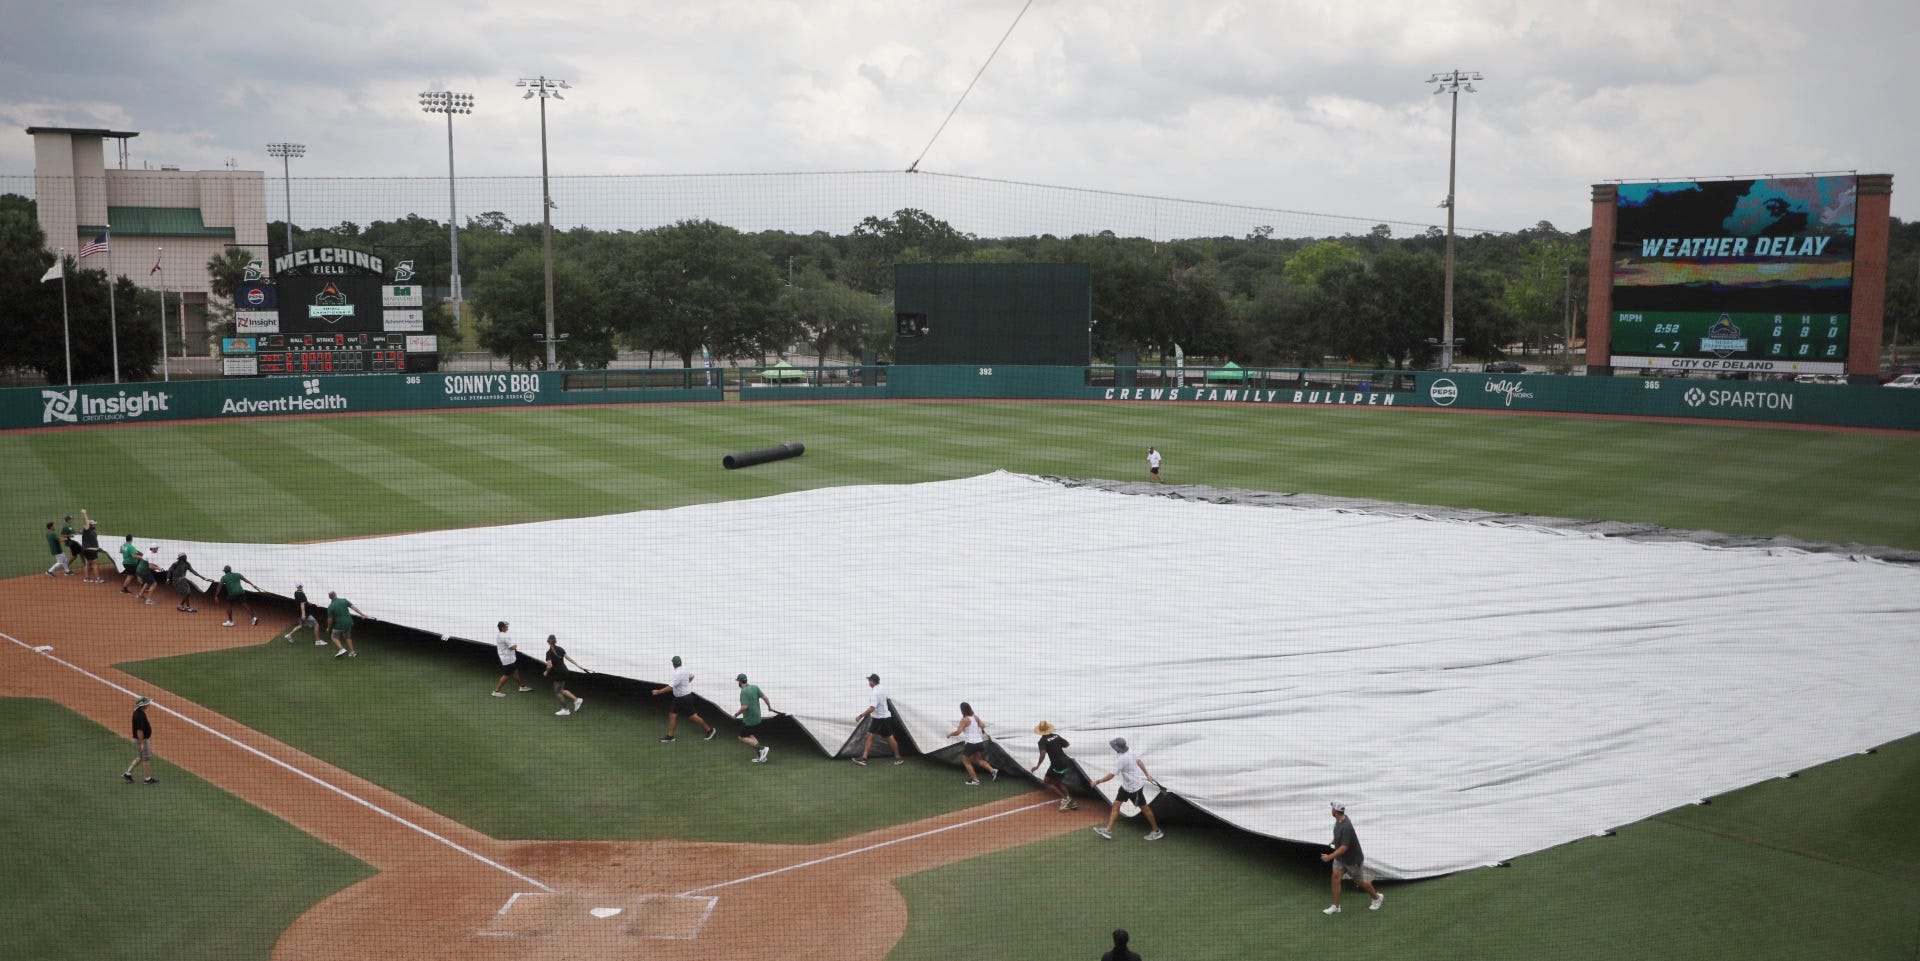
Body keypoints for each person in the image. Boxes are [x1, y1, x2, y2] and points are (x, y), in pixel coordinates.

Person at [1091, 737, 1164, 841]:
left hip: (1134, 788)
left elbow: (1111, 776)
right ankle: (1108, 831)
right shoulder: (1130, 750)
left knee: (1145, 809)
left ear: (1117, 748)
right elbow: (1139, 761)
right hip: (1126, 786)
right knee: (1116, 804)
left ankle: (1157, 831)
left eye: (1114, 746)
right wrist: (1147, 775)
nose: (1113, 748)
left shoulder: (1121, 760)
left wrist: (1097, 782)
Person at [1320, 801, 1384, 914]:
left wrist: (1329, 857)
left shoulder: (1346, 827)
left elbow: (1344, 847)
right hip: (1341, 858)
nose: (1331, 810)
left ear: (1335, 811)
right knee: (1335, 877)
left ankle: (1377, 897)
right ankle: (1336, 906)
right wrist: (1335, 840)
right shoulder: (1340, 820)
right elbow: (1340, 837)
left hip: (1352, 860)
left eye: (1332, 808)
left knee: (1359, 881)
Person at [652, 655, 714, 741]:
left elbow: (670, 687)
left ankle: (710, 730)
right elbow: (692, 676)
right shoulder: (685, 669)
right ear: (680, 663)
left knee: (693, 716)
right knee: (672, 715)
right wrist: (686, 684)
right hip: (679, 698)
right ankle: (671, 736)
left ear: (673, 664)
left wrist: (658, 692)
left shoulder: (677, 674)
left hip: (685, 698)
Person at [853, 673, 905, 766]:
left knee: (873, 736)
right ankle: (897, 758)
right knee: (886, 737)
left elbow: (872, 708)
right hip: (884, 717)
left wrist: (861, 716)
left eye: (869, 680)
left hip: (880, 719)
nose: (868, 682)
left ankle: (864, 759)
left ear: (872, 682)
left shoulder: (875, 692)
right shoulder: (881, 688)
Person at [947, 702, 1000, 785]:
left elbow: (958, 732)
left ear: (962, 710)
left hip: (970, 743)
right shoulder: (975, 717)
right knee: (978, 759)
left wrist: (950, 734)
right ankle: (993, 770)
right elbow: (982, 726)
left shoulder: (964, 720)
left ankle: (975, 781)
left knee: (966, 762)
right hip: (979, 742)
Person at [1029, 721, 1078, 810]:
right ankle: (1071, 801)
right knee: (1058, 782)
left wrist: (1037, 766)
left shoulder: (1042, 741)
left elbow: (1042, 754)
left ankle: (1066, 799)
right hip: (1065, 761)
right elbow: (1067, 744)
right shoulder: (1056, 736)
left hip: (1056, 764)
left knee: (1046, 782)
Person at [543, 634, 587, 716]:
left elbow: (549, 665)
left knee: (557, 692)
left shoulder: (549, 653)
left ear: (548, 642)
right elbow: (569, 659)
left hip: (559, 673)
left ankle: (565, 710)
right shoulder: (560, 649)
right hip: (565, 671)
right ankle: (577, 700)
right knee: (562, 690)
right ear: (555, 641)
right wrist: (578, 666)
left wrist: (546, 672)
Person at [733, 673, 773, 762]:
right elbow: (765, 698)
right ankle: (760, 755)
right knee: (749, 734)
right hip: (758, 718)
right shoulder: (755, 687)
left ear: (739, 682)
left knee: (741, 736)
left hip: (749, 720)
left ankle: (762, 748)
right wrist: (769, 707)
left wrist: (736, 715)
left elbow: (744, 707)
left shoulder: (743, 691)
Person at [121, 695, 158, 784]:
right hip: (142, 740)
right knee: (146, 759)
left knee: (141, 757)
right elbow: (140, 731)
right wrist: (142, 743)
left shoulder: (138, 712)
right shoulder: (139, 716)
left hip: (140, 740)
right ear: (143, 706)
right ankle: (147, 779)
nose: (149, 704)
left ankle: (127, 773)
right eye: (147, 703)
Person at [490, 621, 533, 696]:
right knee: (507, 674)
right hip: (508, 659)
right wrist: (515, 646)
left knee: (515, 671)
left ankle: (521, 686)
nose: (507, 627)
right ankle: (496, 691)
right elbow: (511, 647)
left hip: (508, 658)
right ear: (503, 628)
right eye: (506, 626)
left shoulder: (500, 634)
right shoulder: (504, 636)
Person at [326, 590, 367, 658]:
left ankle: (341, 649)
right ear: (336, 595)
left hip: (339, 625)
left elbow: (330, 619)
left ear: (330, 598)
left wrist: (328, 628)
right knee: (348, 637)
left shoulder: (330, 607)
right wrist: (362, 614)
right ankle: (352, 652)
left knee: (334, 637)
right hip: (349, 623)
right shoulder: (344, 600)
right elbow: (354, 607)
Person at [78, 510, 103, 582]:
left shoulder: (91, 532)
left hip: (87, 549)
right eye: (94, 524)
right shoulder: (87, 529)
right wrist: (84, 513)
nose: (95, 525)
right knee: (95, 564)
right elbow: (85, 522)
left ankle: (86, 578)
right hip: (91, 550)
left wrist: (98, 548)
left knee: (87, 563)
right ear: (90, 525)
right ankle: (98, 579)